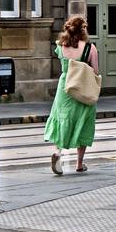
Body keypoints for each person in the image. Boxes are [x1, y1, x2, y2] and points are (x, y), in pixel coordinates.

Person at [45, 15, 100, 175]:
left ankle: (58, 153)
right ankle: (79, 164)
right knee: (83, 122)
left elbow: (62, 62)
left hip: (65, 88)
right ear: (83, 30)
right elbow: (95, 71)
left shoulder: (61, 46)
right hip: (82, 88)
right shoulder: (90, 48)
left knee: (63, 119)